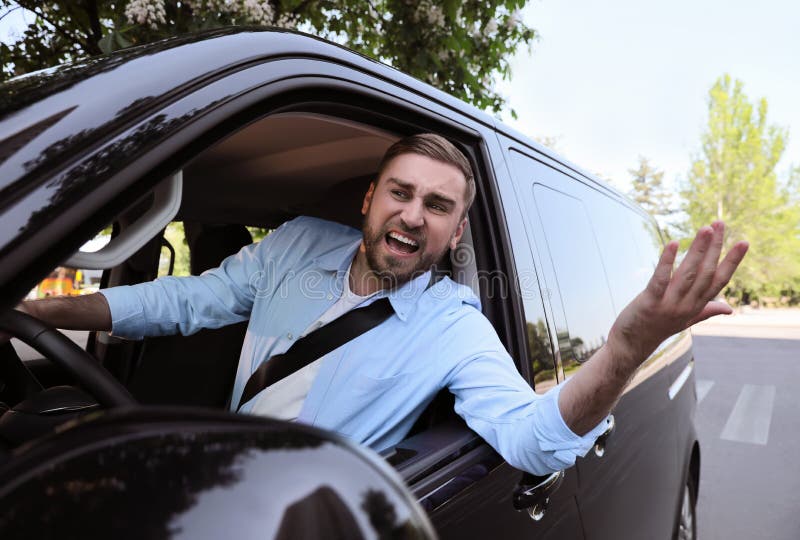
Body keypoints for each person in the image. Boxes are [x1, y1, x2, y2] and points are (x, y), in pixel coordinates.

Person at [13, 134, 748, 475]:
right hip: (212, 476)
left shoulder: (455, 326)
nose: (413, 215)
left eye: (437, 205)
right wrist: (41, 316)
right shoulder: (296, 245)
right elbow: (184, 301)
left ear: (457, 231)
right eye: (401, 192)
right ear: (371, 199)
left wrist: (626, 345)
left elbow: (533, 440)